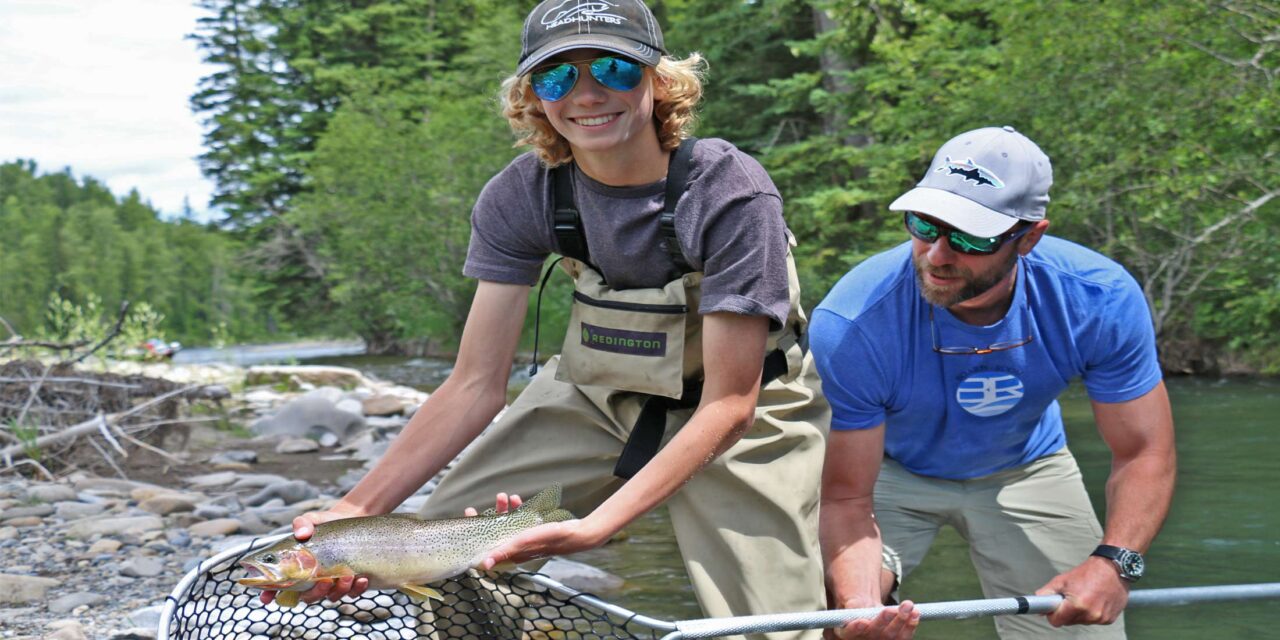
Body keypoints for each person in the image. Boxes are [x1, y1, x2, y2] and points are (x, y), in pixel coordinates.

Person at [257, 1, 870, 637]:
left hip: (744, 414)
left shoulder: (727, 191)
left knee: (777, 629)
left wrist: (597, 525)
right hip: (593, 399)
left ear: (660, 82)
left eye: (613, 68)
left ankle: (859, 574)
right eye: (555, 77)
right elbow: (474, 386)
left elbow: (728, 405)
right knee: (447, 564)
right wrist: (354, 510)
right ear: (532, 95)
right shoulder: (523, 194)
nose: (586, 94)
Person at [810, 126, 1176, 639]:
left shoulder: (1100, 299)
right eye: (924, 224)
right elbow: (847, 497)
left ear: (1029, 237)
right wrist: (859, 606)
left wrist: (1115, 562)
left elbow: (1144, 452)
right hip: (887, 469)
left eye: (969, 237)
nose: (937, 254)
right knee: (839, 624)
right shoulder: (853, 323)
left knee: (1083, 622)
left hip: (1027, 464)